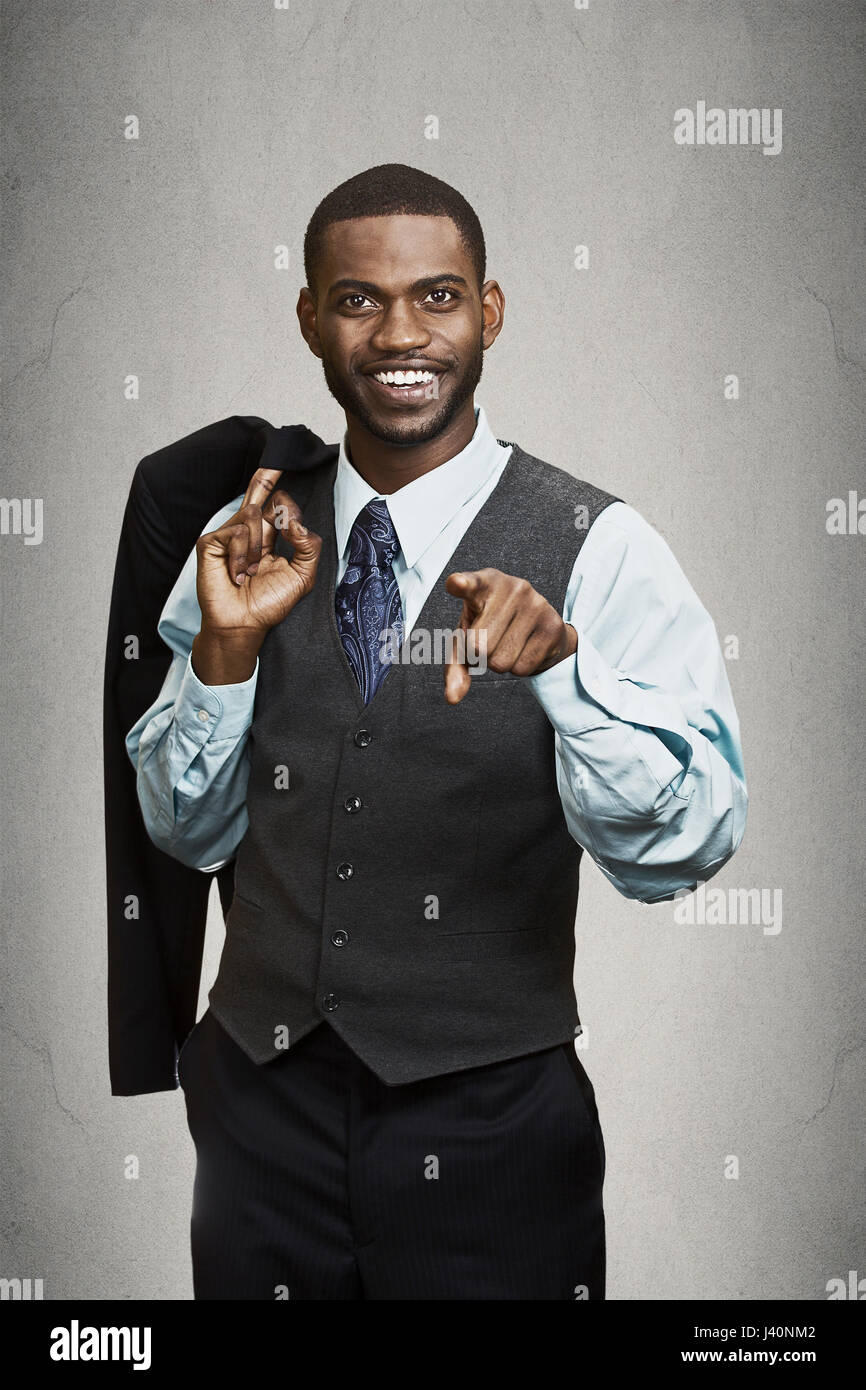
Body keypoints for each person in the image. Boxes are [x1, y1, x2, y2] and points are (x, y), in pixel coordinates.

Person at [124, 163, 748, 1300]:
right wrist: (225, 652)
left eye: (438, 296)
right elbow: (182, 833)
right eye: (358, 299)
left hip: (493, 1124)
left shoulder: (596, 543)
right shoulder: (243, 533)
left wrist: (565, 674)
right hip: (263, 1110)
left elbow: (680, 849)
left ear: (490, 310)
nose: (399, 332)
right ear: (310, 316)